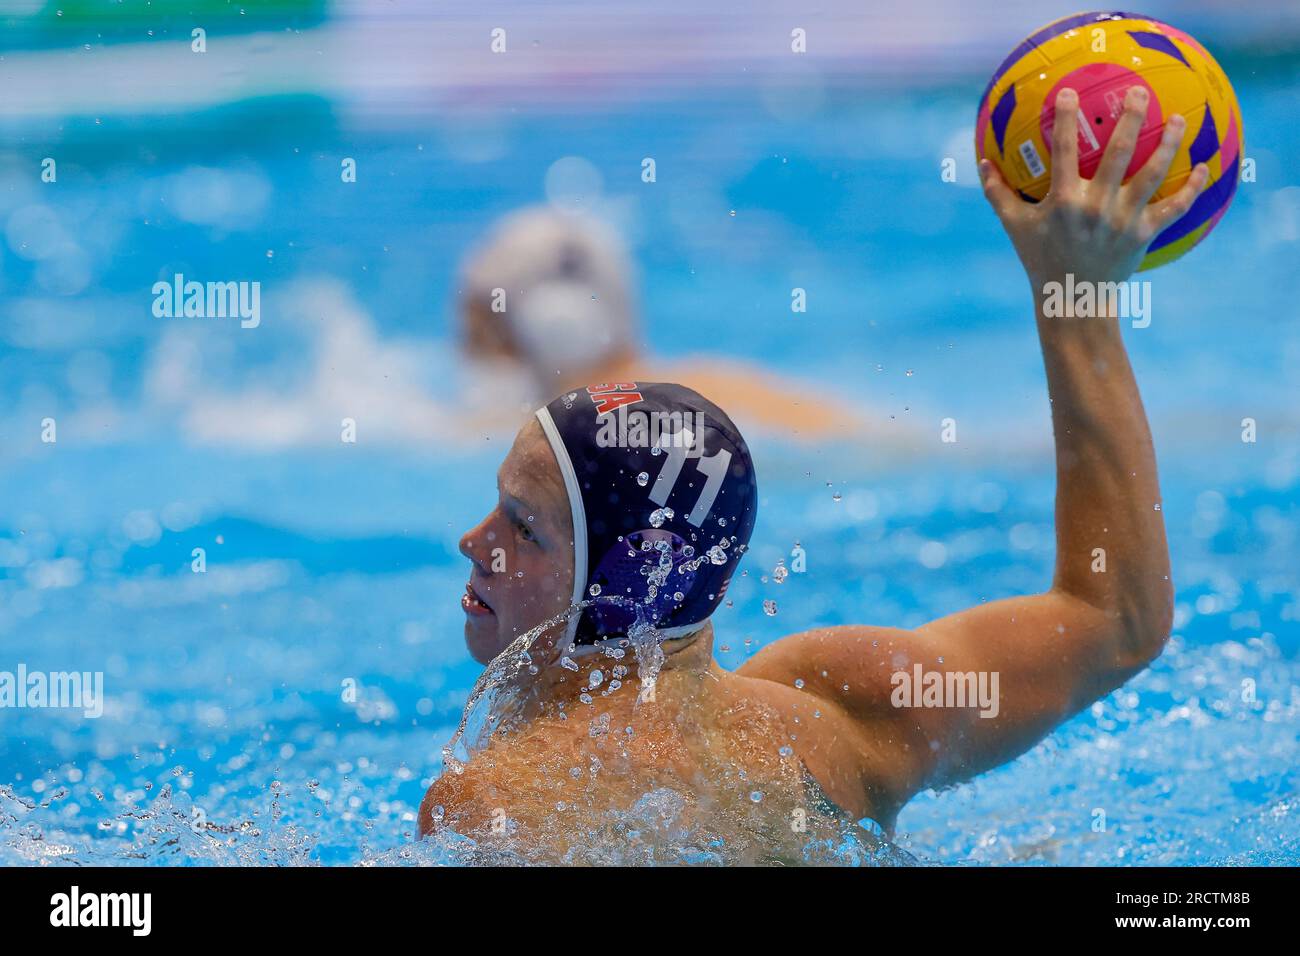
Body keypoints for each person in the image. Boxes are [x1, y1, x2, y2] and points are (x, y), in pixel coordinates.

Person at [420, 87, 1207, 863]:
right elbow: (1113, 621)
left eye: (520, 525)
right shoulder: (841, 708)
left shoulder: (505, 802)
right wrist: (1078, 297)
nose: (471, 539)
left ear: (633, 575)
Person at [457, 205, 868, 442]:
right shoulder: (725, 385)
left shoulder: (552, 433)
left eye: (486, 337)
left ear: (552, 327)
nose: (470, 355)